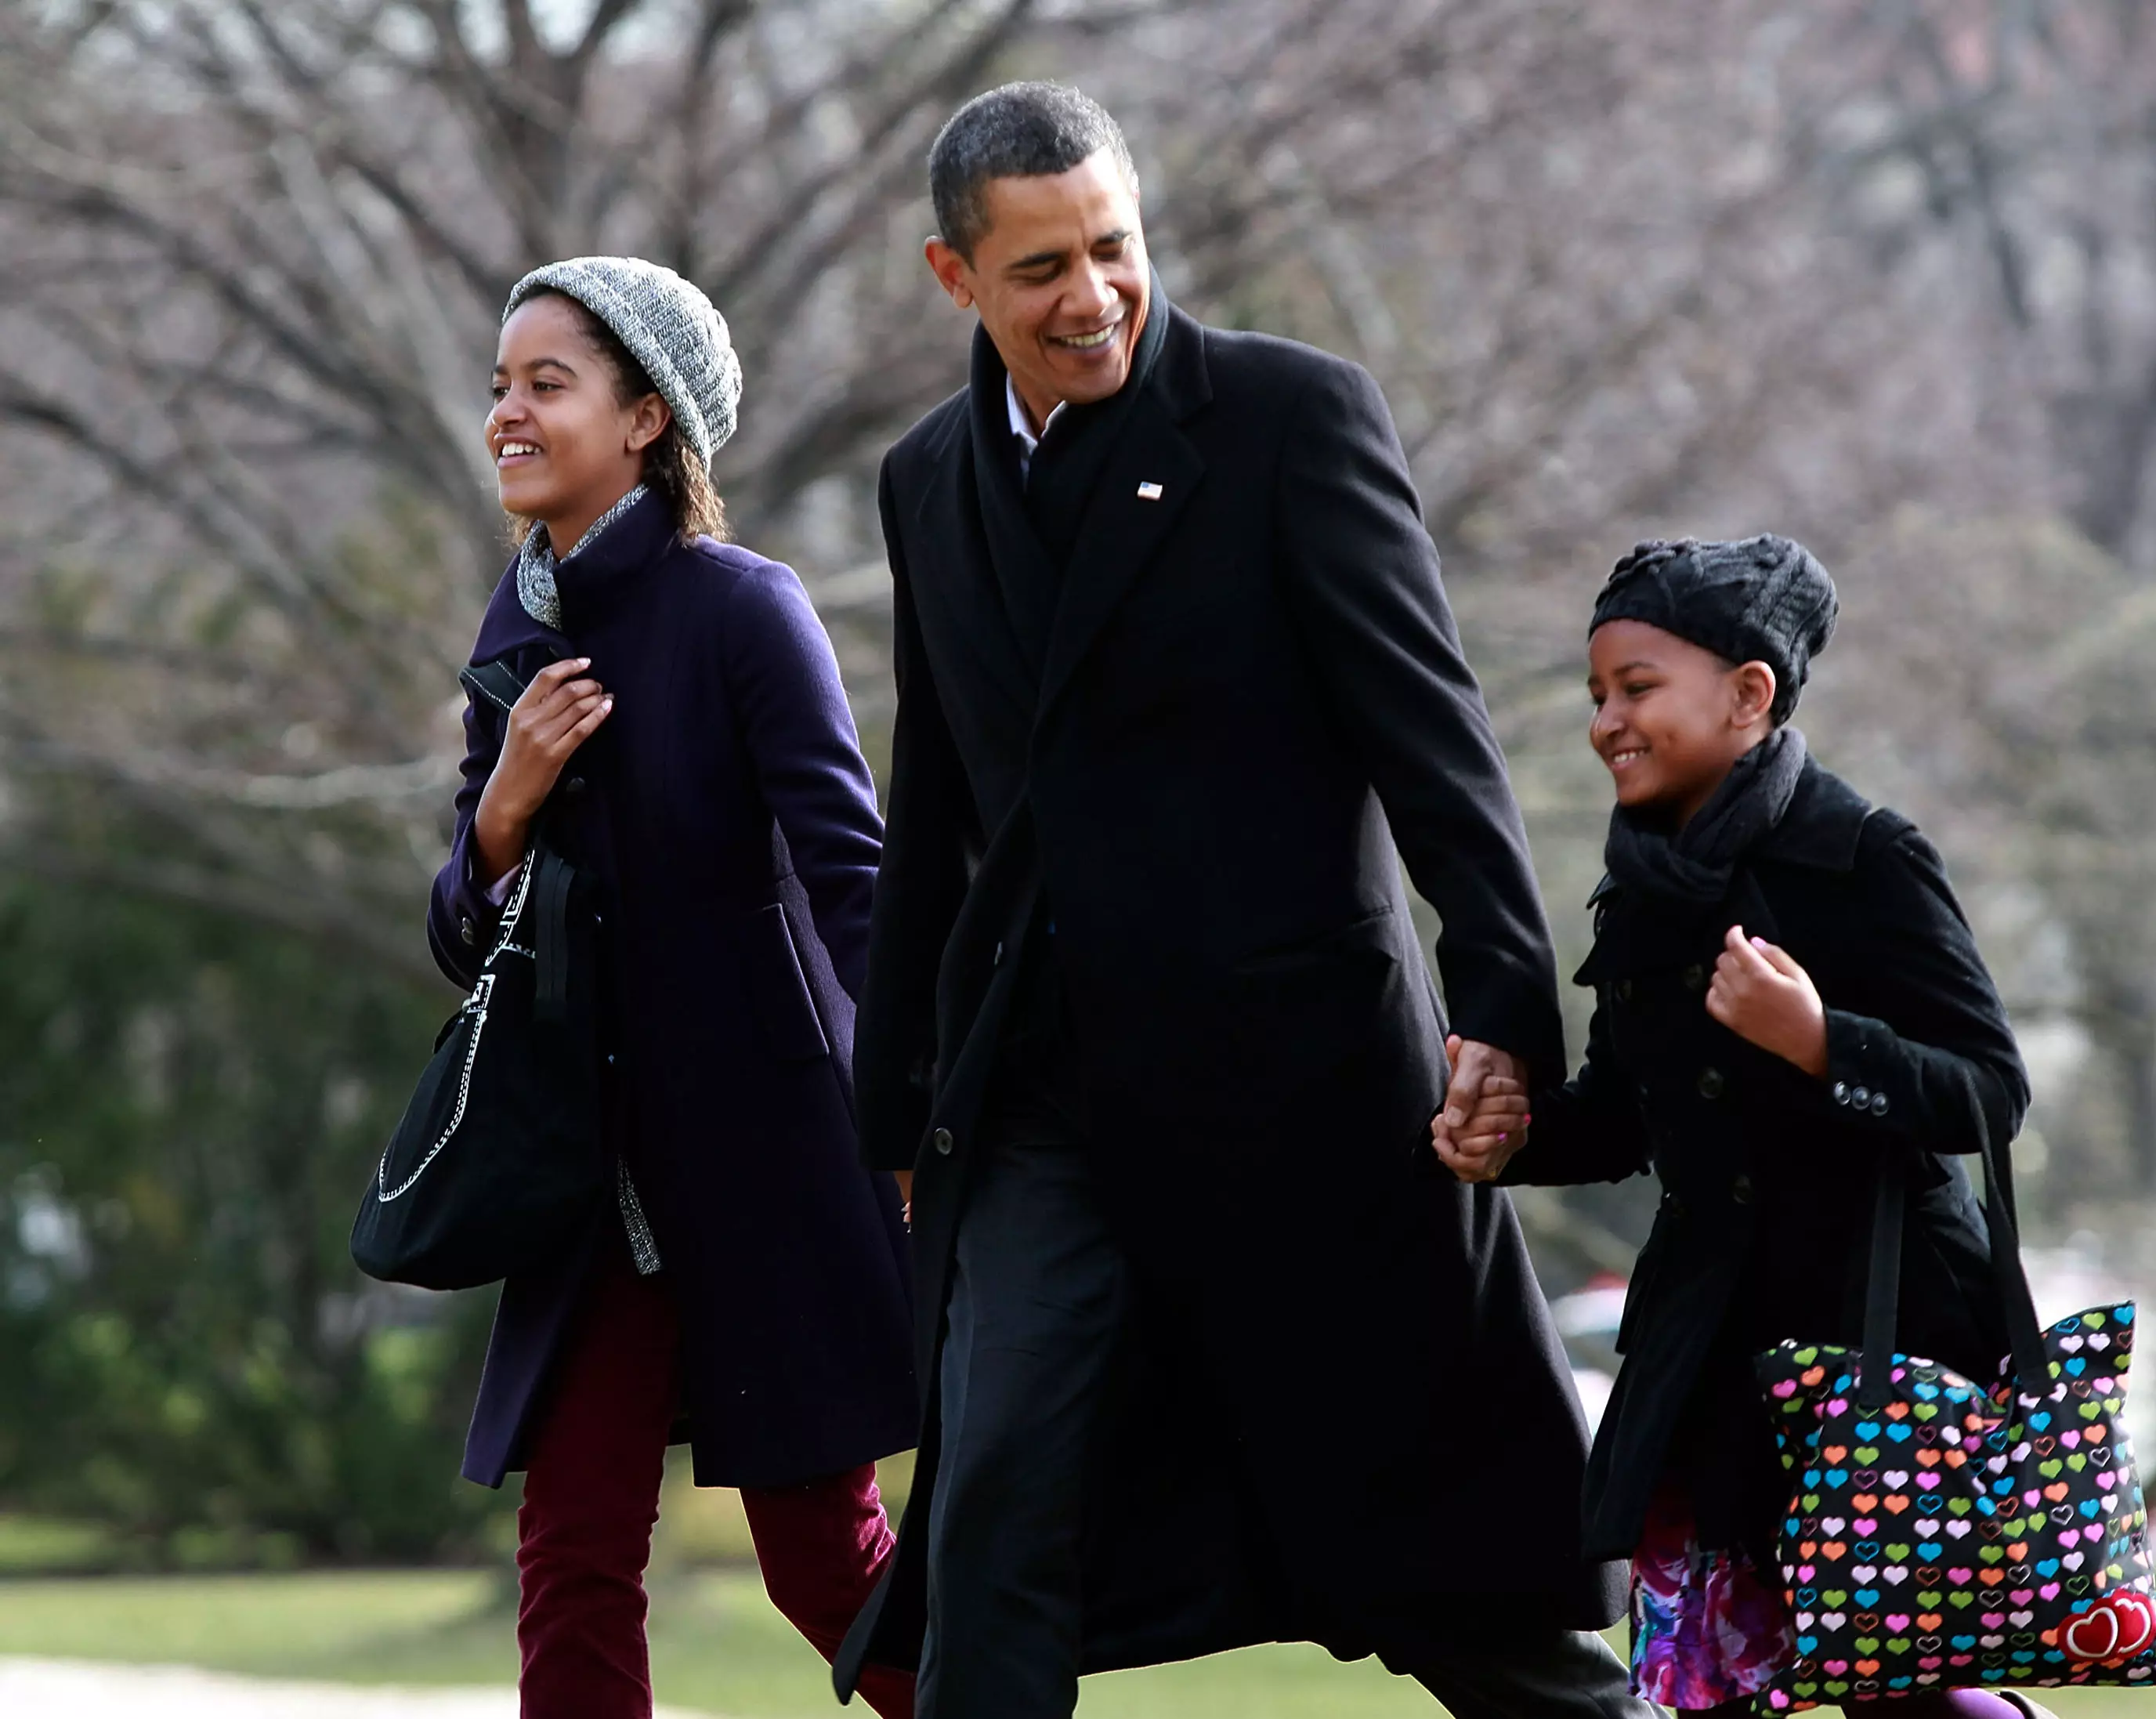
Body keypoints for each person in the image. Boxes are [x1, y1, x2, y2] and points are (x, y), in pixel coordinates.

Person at [833, 81, 1655, 1719]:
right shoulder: (927, 480)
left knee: (1428, 1555)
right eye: (1042, 269)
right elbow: (941, 808)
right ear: (955, 279)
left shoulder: (1291, 419)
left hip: (1308, 1092)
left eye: (1114, 248)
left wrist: (1500, 1008)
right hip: (1049, 1098)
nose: (1092, 299)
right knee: (994, 1500)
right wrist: (898, 1108)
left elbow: (1434, 740)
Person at [1433, 537, 2054, 1719]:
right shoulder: (1640, 885)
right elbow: (1623, 1122)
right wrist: (1511, 1139)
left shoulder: (1864, 855)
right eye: (1597, 695)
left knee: (1909, 1690)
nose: (1608, 719)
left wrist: (1822, 1041)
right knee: (1711, 1685)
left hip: (1882, 1353)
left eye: (1638, 688)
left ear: (1749, 693)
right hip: (1712, 1367)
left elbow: (1989, 1092)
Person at [426, 256, 919, 1719]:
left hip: (765, 1159)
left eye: (546, 382)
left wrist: (906, 1112)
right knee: (572, 1552)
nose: (508, 410)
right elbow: (462, 930)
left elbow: (856, 881)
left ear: (647, 417)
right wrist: (505, 804)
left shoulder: (745, 609)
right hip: (588, 1182)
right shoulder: (511, 640)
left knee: (821, 1562)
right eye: (501, 383)